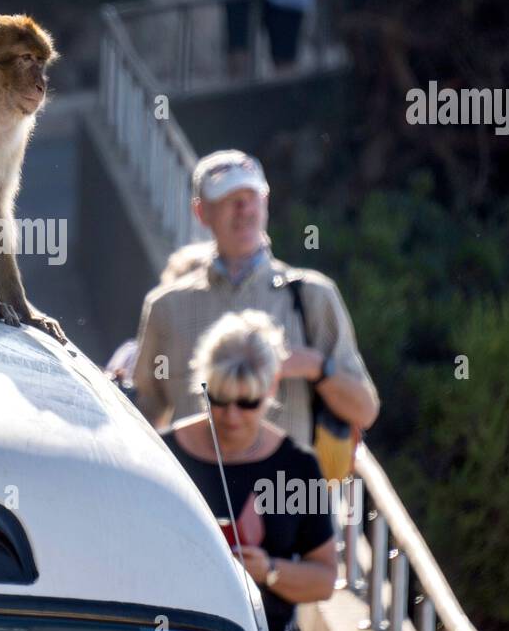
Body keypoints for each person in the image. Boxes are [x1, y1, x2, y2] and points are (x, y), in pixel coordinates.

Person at [132, 149, 379, 448]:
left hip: (284, 490)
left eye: (252, 196)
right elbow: (145, 417)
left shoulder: (312, 296)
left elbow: (364, 412)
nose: (244, 208)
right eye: (229, 199)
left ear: (266, 202)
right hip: (200, 490)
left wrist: (314, 366)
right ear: (201, 212)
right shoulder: (166, 307)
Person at [163, 309, 336, 631]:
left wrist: (269, 570)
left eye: (247, 402)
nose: (232, 416)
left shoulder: (298, 467)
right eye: (220, 400)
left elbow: (323, 579)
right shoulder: (162, 453)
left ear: (272, 388)